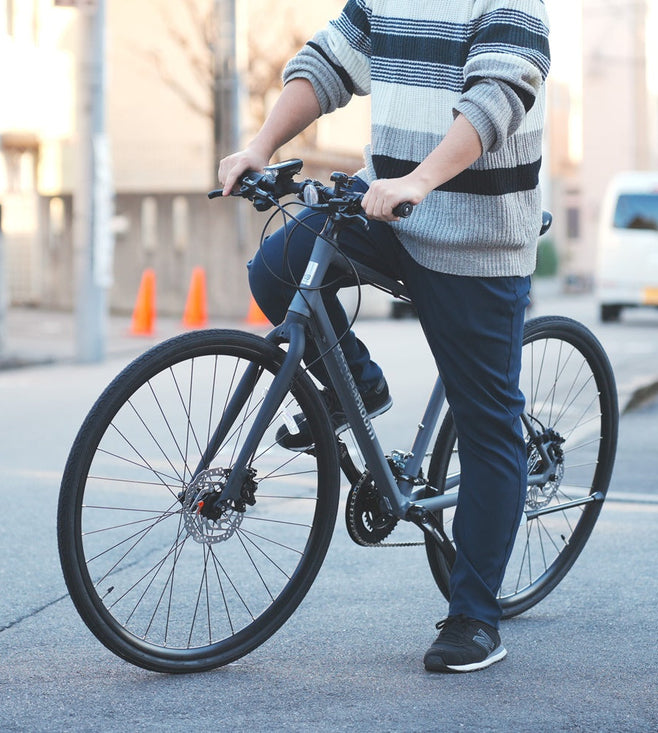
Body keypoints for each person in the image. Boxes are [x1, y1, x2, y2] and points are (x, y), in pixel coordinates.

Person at [218, 0, 550, 673]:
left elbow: (497, 97)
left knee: (488, 426)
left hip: (474, 234)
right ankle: (356, 389)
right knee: (277, 269)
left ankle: (475, 616)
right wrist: (260, 144)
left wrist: (422, 180)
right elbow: (327, 62)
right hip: (387, 204)